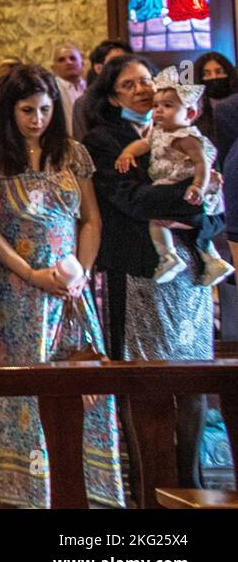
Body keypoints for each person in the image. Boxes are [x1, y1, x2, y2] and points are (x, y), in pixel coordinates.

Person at [0, 65, 123, 508]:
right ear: (9, 110)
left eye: (44, 109)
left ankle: (85, 491)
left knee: (84, 383)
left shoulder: (72, 153)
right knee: (23, 389)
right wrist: (29, 273)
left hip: (70, 289)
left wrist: (80, 270)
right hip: (13, 289)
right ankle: (25, 493)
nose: (37, 119)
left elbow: (91, 220)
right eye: (27, 110)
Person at [83, 54, 221, 491]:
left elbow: (215, 206)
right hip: (138, 269)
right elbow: (132, 201)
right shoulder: (105, 140)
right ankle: (149, 479)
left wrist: (195, 210)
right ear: (110, 95)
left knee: (194, 374)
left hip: (190, 273)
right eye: (130, 85)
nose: (143, 90)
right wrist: (190, 201)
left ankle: (190, 477)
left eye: (146, 80)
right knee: (144, 378)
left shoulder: (187, 132)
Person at [114, 67, 232, 286]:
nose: (159, 111)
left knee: (164, 221)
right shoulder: (159, 131)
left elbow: (201, 163)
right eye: (156, 106)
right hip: (167, 186)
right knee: (161, 222)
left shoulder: (186, 137)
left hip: (187, 185)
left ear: (189, 114)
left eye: (167, 106)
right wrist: (127, 152)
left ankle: (175, 257)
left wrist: (197, 185)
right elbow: (144, 144)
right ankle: (198, 258)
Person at [71, 40, 130, 141]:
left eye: (127, 61)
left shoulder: (134, 95)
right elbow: (82, 144)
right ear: (98, 68)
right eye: (115, 61)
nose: (122, 67)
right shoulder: (84, 103)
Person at [196, 51, 238, 160]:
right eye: (207, 74)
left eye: (219, 72)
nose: (214, 77)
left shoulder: (234, 105)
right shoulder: (196, 111)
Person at [50, 42, 85, 136]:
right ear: (53, 68)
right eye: (61, 60)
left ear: (82, 63)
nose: (68, 62)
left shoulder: (90, 88)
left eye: (72, 58)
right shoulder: (51, 90)